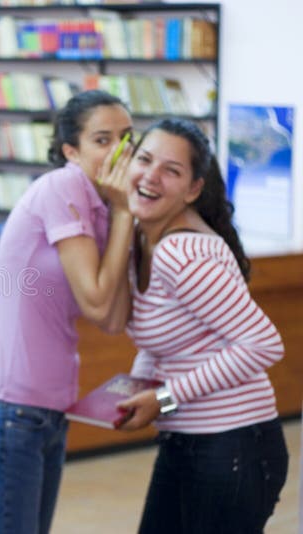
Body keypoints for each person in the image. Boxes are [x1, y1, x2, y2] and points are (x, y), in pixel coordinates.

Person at [0, 90, 135, 534]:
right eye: (102, 139)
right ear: (70, 151)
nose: (119, 150)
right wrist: (124, 214)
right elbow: (98, 300)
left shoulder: (102, 209)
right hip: (9, 410)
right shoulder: (63, 186)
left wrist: (122, 217)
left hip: (50, 410)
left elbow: (113, 321)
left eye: (127, 137)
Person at [116, 118, 289, 534]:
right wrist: (138, 386)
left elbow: (264, 344)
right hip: (189, 442)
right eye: (145, 159)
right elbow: (168, 340)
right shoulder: (143, 236)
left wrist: (165, 397)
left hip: (233, 446)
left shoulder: (183, 254)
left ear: (194, 189)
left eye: (171, 170)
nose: (151, 176)